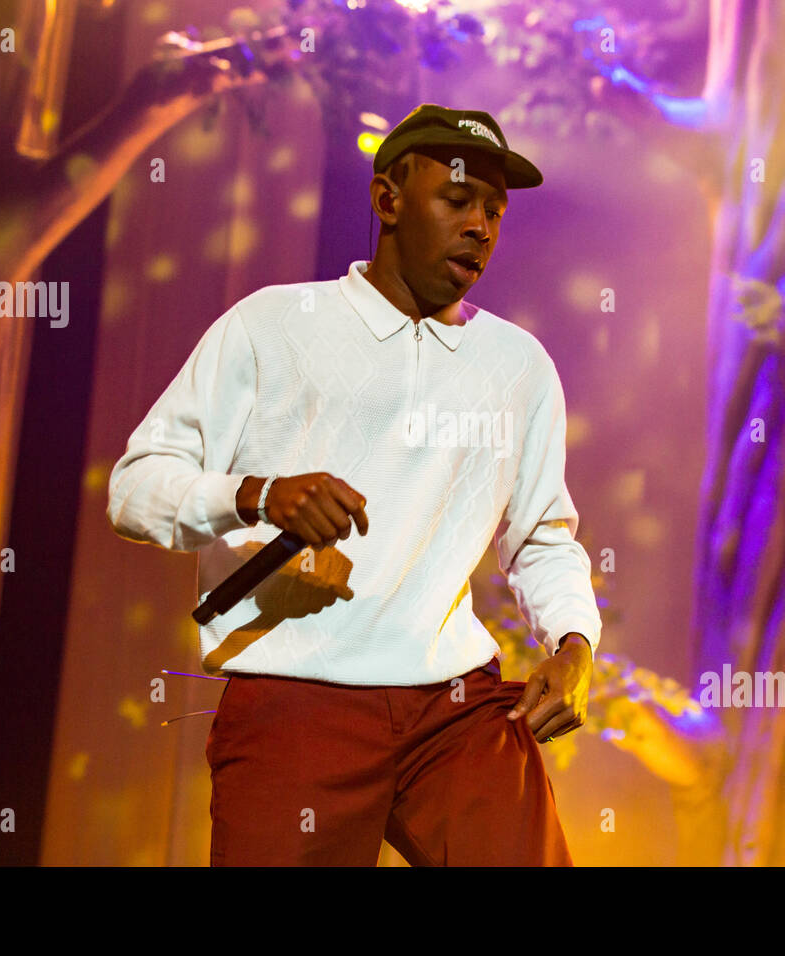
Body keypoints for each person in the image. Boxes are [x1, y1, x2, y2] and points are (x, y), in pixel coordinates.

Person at [107, 104, 602, 866]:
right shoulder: (272, 326)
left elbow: (540, 535)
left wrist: (574, 642)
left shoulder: (518, 365)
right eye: (459, 199)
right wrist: (257, 495)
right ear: (388, 200)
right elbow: (136, 487)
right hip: (294, 700)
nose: (481, 226)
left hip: (454, 706)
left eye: (495, 212)